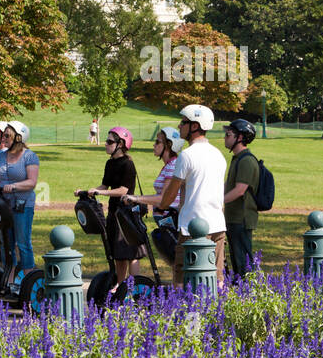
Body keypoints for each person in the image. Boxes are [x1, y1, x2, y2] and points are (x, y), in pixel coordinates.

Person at [140, 104, 226, 287]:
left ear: (195, 126)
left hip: (191, 227)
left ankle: (187, 315)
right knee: (217, 278)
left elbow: (170, 195)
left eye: (183, 122)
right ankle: (216, 314)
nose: (179, 126)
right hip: (218, 225)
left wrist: (161, 205)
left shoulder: (186, 156)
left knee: (182, 278)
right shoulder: (218, 155)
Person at [78, 126, 142, 288]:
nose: (106, 144)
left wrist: (101, 194)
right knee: (118, 255)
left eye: (109, 141)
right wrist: (87, 191)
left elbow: (123, 190)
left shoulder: (128, 164)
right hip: (113, 213)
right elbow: (105, 185)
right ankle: (120, 286)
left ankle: (134, 288)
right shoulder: (110, 163)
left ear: (120, 144)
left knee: (131, 254)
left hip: (126, 214)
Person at [0, 122, 39, 270]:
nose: (3, 138)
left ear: (18, 138)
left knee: (23, 243)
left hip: (22, 205)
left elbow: (32, 182)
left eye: (7, 135)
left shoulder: (29, 156)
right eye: (3, 135)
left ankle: (28, 279)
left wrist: (13, 186)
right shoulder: (1, 156)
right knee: (6, 243)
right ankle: (9, 281)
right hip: (3, 205)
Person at [223, 118, 260, 277]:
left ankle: (248, 295)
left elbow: (239, 190)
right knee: (237, 262)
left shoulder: (246, 161)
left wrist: (215, 202)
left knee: (244, 263)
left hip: (242, 218)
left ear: (240, 138)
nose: (225, 137)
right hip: (233, 218)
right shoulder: (237, 159)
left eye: (228, 134)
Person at [125, 126, 183, 212]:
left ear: (168, 145)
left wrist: (136, 198)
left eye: (157, 142)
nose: (154, 145)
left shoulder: (172, 166)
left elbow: (163, 198)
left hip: (170, 218)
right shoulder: (169, 165)